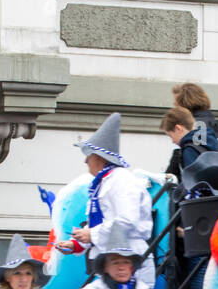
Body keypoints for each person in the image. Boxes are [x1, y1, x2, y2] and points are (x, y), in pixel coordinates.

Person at [65, 113, 153, 267]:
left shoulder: (122, 180)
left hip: (129, 261)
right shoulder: (105, 182)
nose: (85, 160)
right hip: (111, 260)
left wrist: (91, 234)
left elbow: (126, 221)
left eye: (88, 155)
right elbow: (101, 222)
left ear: (99, 158)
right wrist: (76, 243)